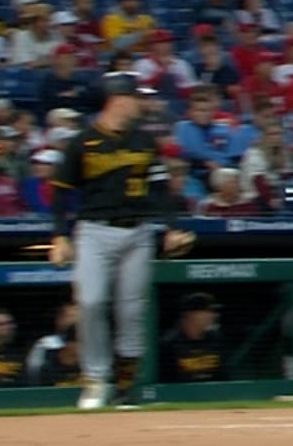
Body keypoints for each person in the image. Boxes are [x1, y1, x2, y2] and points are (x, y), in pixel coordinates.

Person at [48, 72, 194, 410]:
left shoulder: (145, 141)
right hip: (94, 232)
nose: (141, 103)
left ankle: (125, 385)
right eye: (136, 97)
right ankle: (96, 379)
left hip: (137, 233)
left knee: (131, 311)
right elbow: (60, 192)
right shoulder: (82, 142)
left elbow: (160, 190)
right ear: (117, 99)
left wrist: (171, 228)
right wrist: (60, 235)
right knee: (90, 302)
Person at [159, 292, 228, 383]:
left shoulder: (216, 339)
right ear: (191, 314)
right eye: (207, 311)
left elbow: (224, 379)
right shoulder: (169, 344)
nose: (212, 316)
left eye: (213, 312)